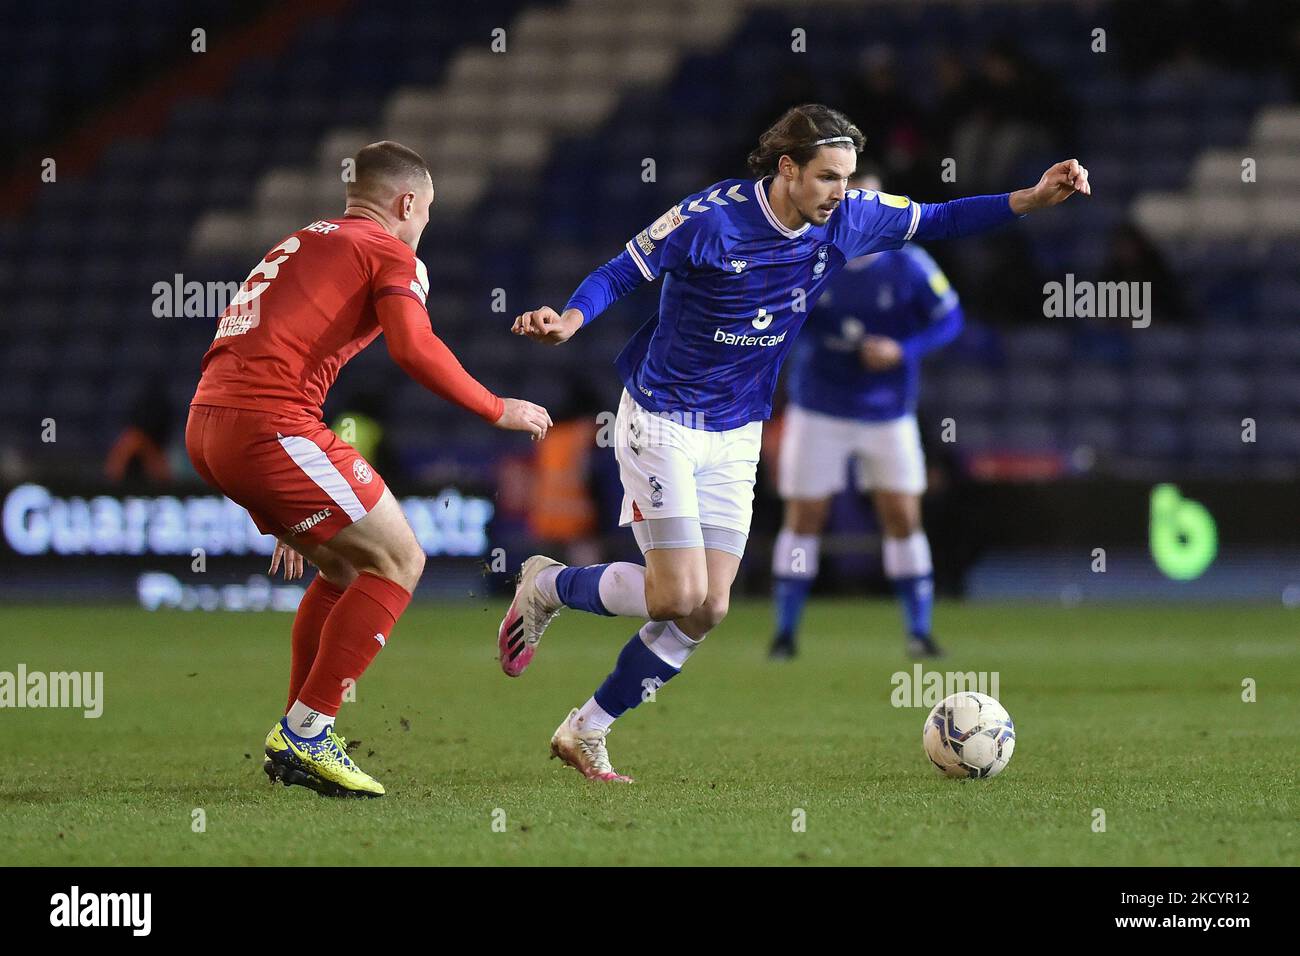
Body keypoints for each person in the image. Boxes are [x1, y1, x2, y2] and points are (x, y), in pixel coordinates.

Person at [501, 104, 1089, 783]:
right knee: (673, 596)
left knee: (708, 610)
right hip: (661, 417)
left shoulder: (849, 217)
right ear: (787, 169)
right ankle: (546, 585)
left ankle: (587, 729)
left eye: (845, 178)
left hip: (738, 428)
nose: (840, 192)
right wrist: (571, 319)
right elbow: (621, 271)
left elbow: (940, 217)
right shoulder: (710, 219)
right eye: (827, 177)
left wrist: (1031, 198)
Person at [185, 141, 550, 797]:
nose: (426, 223)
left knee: (346, 566)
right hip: (270, 424)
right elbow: (414, 347)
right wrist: (497, 408)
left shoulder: (301, 241)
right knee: (403, 560)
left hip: (210, 422)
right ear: (407, 202)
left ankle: (299, 730)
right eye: (428, 210)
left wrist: (268, 503)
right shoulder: (388, 250)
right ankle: (305, 734)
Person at [770, 171, 963, 661]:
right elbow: (782, 317)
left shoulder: (910, 263)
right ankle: (785, 632)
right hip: (820, 407)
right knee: (805, 518)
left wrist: (904, 350)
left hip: (887, 412)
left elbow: (951, 318)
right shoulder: (813, 255)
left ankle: (919, 631)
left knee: (902, 516)